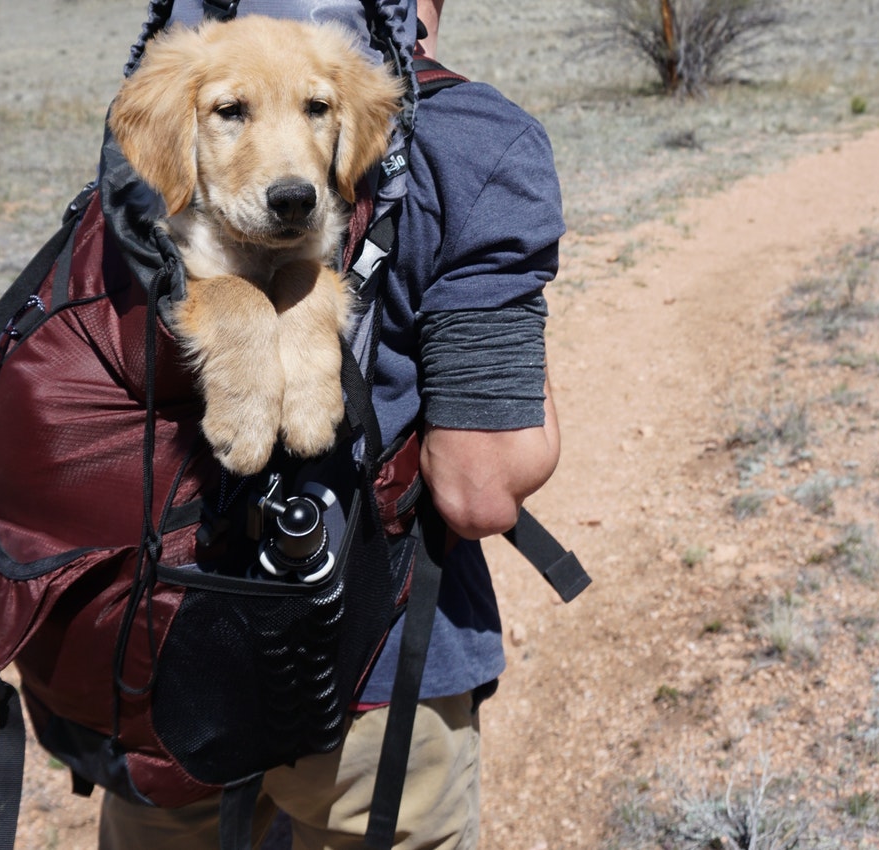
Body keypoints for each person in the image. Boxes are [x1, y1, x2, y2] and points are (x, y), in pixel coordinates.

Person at [99, 1, 564, 847]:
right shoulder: (478, 140)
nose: (287, 165)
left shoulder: (165, 90)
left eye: (316, 108)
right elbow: (481, 487)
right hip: (371, 692)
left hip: (163, 665)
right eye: (235, 113)